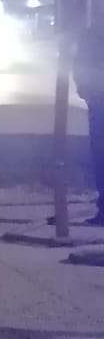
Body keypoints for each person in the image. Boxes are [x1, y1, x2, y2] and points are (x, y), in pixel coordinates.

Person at [74, 23, 104, 226]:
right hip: (97, 99)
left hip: (97, 100)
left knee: (100, 156)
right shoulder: (89, 36)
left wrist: (85, 91)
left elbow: (80, 66)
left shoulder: (89, 35)